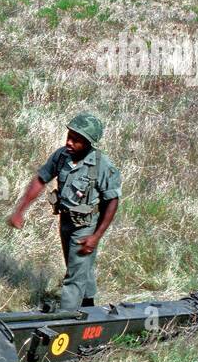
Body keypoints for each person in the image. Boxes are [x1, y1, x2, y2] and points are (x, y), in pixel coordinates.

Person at [6, 113, 121, 310]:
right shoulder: (62, 156)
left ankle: (66, 320)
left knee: (74, 276)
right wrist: (20, 210)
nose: (69, 142)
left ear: (88, 143)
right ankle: (88, 306)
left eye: (76, 140)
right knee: (77, 265)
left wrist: (96, 237)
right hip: (66, 221)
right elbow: (41, 179)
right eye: (69, 136)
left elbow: (112, 201)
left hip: (85, 226)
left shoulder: (102, 166)